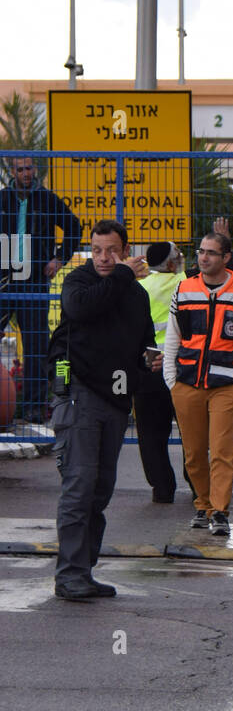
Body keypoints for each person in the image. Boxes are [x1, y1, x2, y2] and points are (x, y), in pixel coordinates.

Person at [47, 220, 155, 601]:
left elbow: (142, 344)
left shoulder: (135, 294)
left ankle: (84, 570)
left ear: (124, 249)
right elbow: (81, 310)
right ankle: (69, 575)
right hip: (79, 395)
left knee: (100, 490)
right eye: (97, 250)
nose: (104, 258)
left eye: (112, 250)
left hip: (115, 399)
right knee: (78, 486)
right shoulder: (80, 282)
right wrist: (122, 276)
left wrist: (146, 364)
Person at [163, 229, 233, 537]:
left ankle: (220, 511)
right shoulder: (184, 289)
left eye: (210, 253)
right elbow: (172, 337)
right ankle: (202, 506)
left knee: (221, 451)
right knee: (193, 453)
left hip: (226, 385)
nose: (203, 258)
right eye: (201, 252)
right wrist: (171, 379)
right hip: (187, 383)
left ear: (226, 257)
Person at [0, 156, 83, 422]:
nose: (26, 173)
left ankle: (35, 406)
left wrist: (59, 258)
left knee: (36, 344)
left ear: (35, 170)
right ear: (12, 172)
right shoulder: (2, 200)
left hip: (34, 280)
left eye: (29, 168)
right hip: (3, 280)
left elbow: (73, 227)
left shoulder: (47, 199)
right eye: (20, 169)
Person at [134, 241, 184, 503]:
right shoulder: (185, 283)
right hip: (180, 366)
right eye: (179, 256)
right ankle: (198, 485)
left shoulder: (139, 286)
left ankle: (162, 488)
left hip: (149, 364)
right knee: (192, 431)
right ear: (172, 263)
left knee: (151, 434)